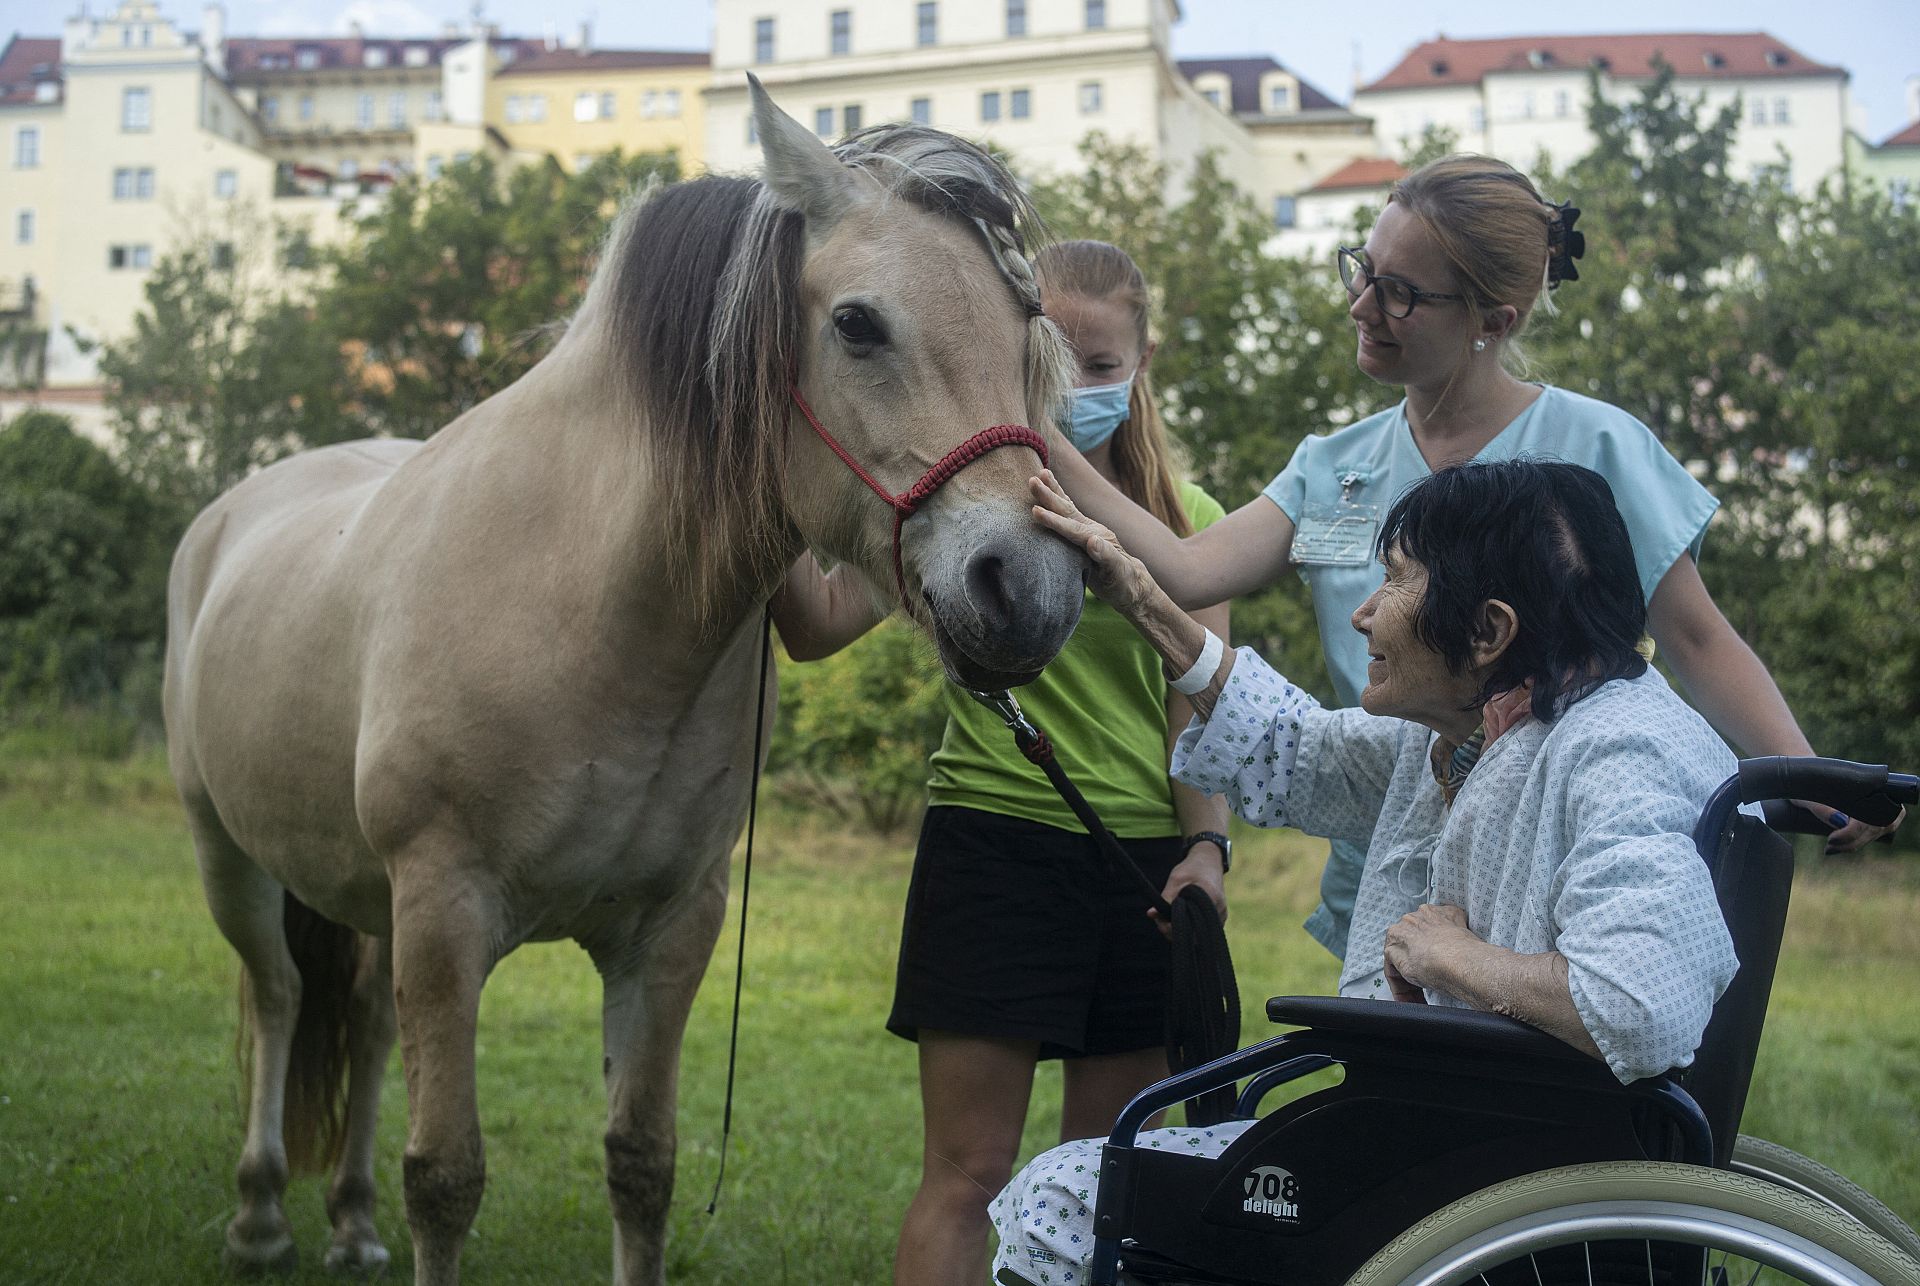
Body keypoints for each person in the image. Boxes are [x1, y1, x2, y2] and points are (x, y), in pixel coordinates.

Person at [1043, 154, 1900, 978]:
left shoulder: (1596, 448)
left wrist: (1807, 773)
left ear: (1496, 320)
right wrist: (1032, 433)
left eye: (1401, 293)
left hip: (1547, 852)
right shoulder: (1333, 466)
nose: (1362, 306)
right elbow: (1188, 571)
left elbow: (1698, 641)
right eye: (1362, 270)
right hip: (1392, 836)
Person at [989, 458, 1741, 1285]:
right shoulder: (1485, 732)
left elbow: (1636, 1005)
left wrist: (1445, 955)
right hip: (1456, 1147)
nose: (1362, 615)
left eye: (1395, 582)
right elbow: (1295, 745)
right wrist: (1138, 596)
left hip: (1468, 1175)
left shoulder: (1619, 750)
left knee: (1065, 1200)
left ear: (1488, 632)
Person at [772, 240, 1234, 1286]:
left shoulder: (1193, 527)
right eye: (1054, 362)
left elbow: (1201, 710)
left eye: (1102, 364)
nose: (1077, 388)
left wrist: (1207, 849)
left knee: (1111, 1179)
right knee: (967, 1173)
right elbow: (817, 623)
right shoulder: (963, 511)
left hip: (1143, 871)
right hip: (996, 846)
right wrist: (771, 494)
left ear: (1146, 355)